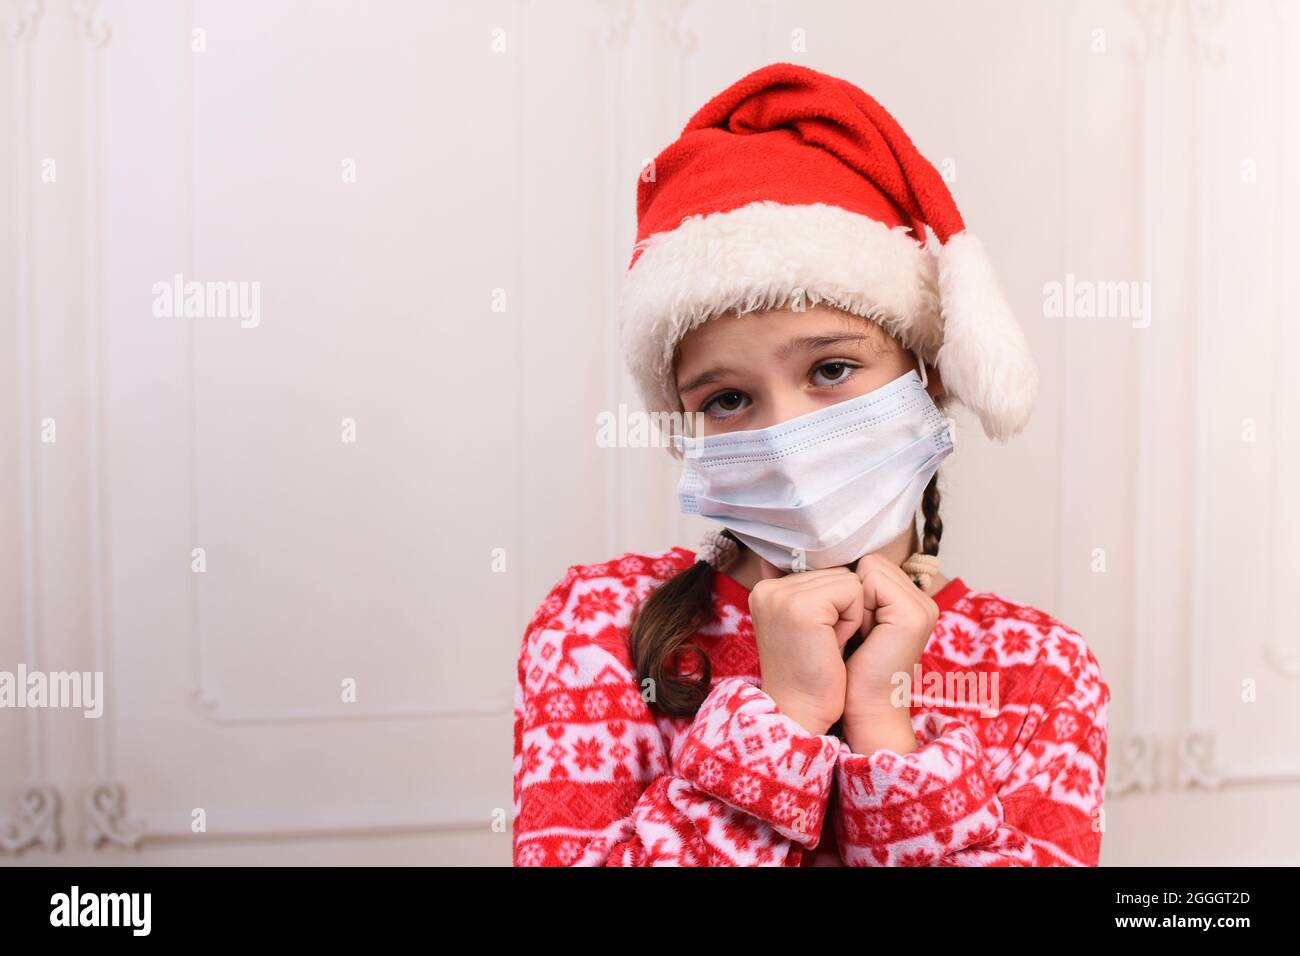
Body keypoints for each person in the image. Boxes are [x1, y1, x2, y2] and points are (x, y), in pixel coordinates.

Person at [512, 63, 1110, 866]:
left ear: (927, 378)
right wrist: (785, 717)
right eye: (726, 398)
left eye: (830, 369)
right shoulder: (597, 632)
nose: (788, 435)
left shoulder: (1039, 668)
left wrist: (885, 733)